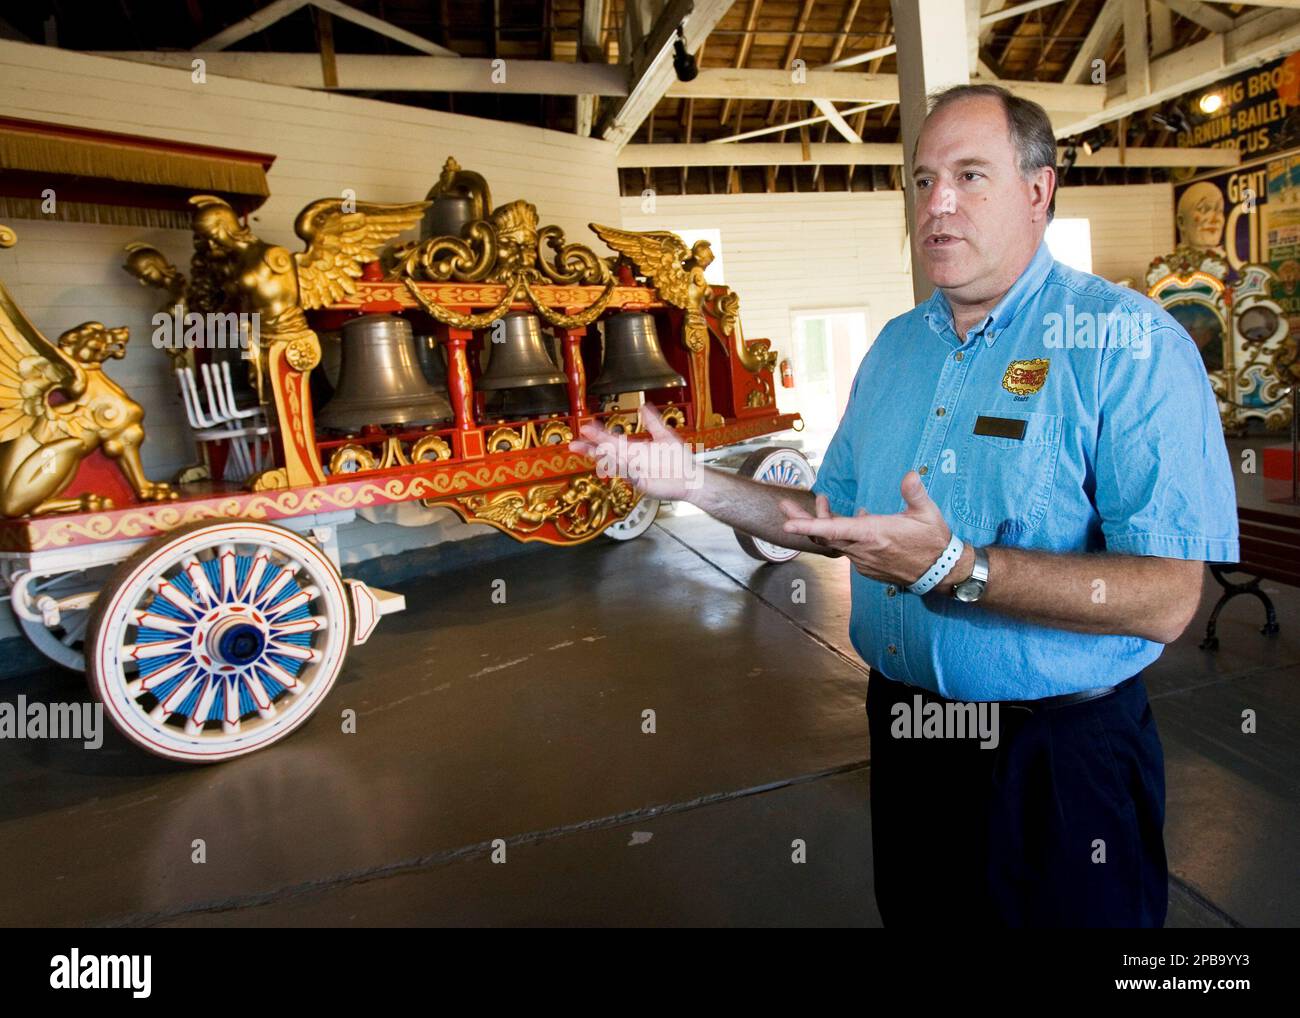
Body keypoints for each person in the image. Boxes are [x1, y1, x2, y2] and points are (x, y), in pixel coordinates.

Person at [570, 83, 1238, 928]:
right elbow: (828, 515)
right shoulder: (894, 348)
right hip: (913, 732)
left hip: (1060, 762)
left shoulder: (1128, 347)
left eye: (969, 176)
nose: (938, 205)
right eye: (922, 181)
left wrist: (960, 570)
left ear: (1039, 191)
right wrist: (692, 482)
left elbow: (1171, 598)